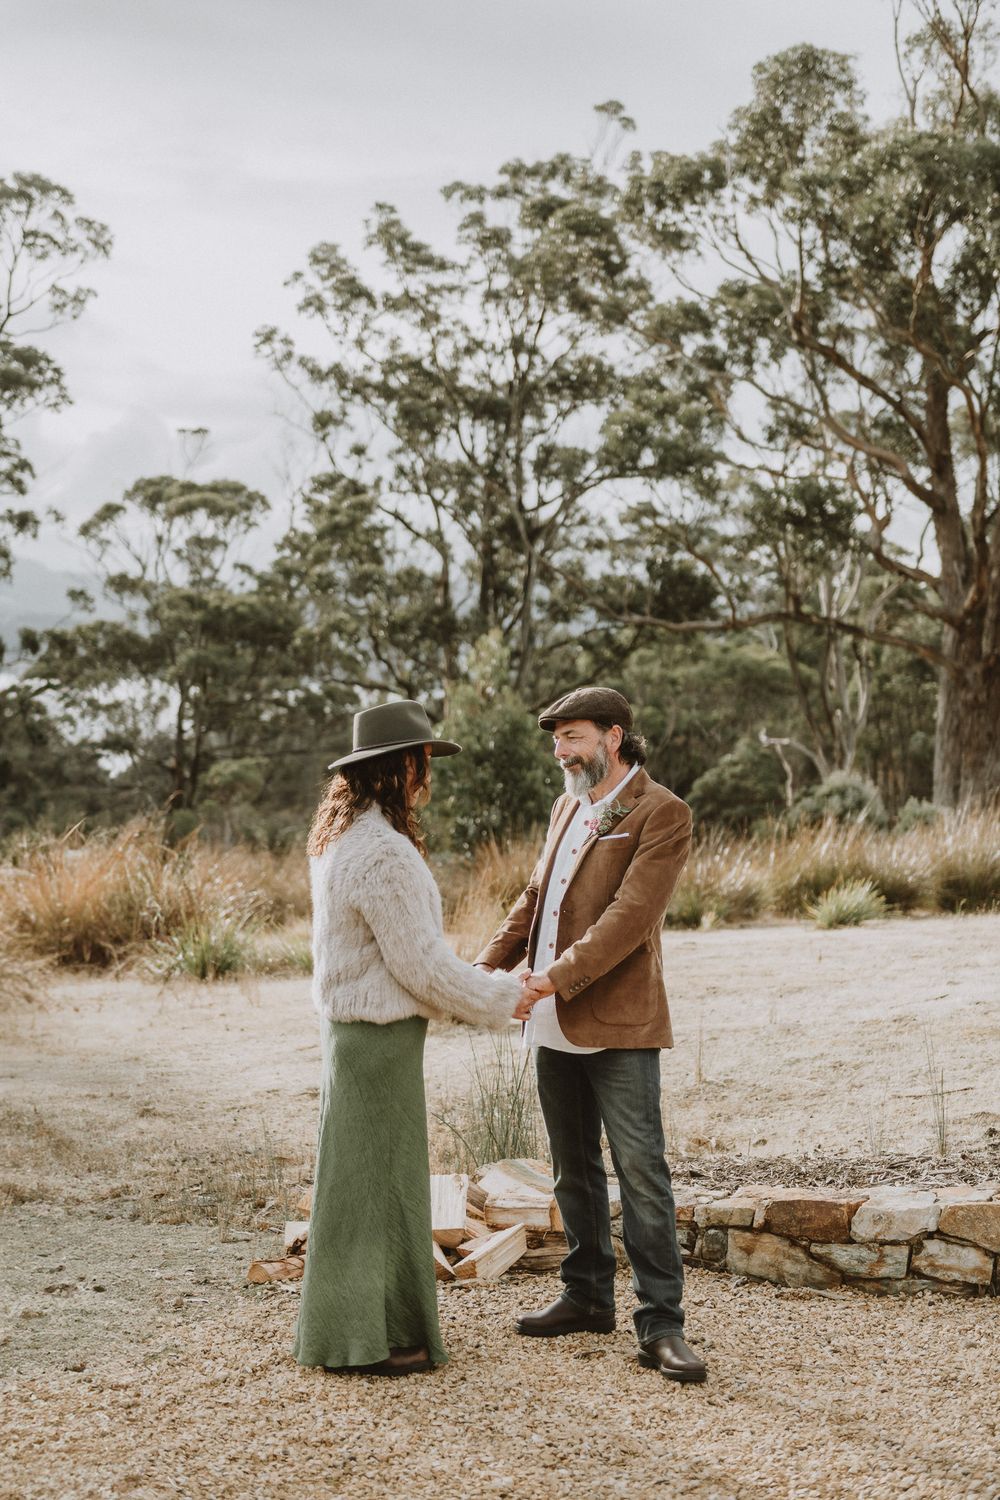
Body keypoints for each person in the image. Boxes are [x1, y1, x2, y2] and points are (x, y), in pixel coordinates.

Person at [474, 687, 707, 1383]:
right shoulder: (566, 806)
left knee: (642, 1174)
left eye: (571, 737)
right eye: (556, 740)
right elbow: (534, 899)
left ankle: (661, 1325)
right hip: (550, 1021)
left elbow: (630, 919)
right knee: (573, 1169)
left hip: (619, 1023)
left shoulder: (663, 813)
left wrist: (552, 977)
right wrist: (487, 967)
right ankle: (585, 1296)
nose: (559, 752)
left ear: (612, 736)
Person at [293, 698, 529, 1377]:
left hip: (355, 1042)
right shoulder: (382, 852)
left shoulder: (345, 838)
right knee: (377, 1189)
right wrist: (506, 996)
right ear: (402, 766)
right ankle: (364, 1338)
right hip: (378, 1045)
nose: (429, 772)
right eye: (425, 759)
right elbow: (421, 967)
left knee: (367, 1185)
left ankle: (362, 1329)